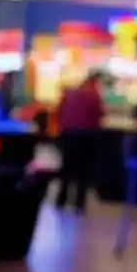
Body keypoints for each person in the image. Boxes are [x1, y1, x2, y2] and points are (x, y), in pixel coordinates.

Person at [54, 71, 105, 213]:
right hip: (87, 135)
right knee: (83, 170)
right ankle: (78, 203)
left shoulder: (69, 94)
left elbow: (59, 112)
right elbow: (99, 114)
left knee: (67, 168)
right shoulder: (94, 95)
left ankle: (61, 200)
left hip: (68, 134)